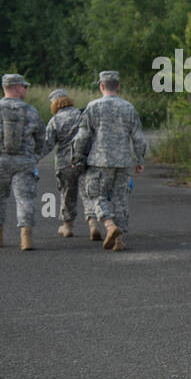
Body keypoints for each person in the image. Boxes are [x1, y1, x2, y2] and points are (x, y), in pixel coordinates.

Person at [72, 70, 147, 251]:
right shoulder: (129, 108)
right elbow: (138, 137)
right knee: (120, 199)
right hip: (123, 161)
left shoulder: (93, 107)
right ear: (118, 86)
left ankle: (109, 225)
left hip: (99, 161)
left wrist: (77, 157)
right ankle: (119, 240)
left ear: (101, 86)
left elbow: (82, 136)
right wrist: (140, 159)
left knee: (95, 195)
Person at [0, 73, 44, 251]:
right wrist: (34, 156)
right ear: (17, 87)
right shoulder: (30, 111)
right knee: (24, 198)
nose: (26, 90)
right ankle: (26, 238)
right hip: (24, 161)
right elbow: (41, 137)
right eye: (24, 87)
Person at [42, 89, 86, 237]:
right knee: (89, 193)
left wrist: (31, 158)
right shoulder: (82, 115)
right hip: (84, 160)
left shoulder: (55, 120)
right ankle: (93, 226)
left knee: (68, 193)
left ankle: (67, 226)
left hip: (65, 163)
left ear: (54, 104)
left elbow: (47, 145)